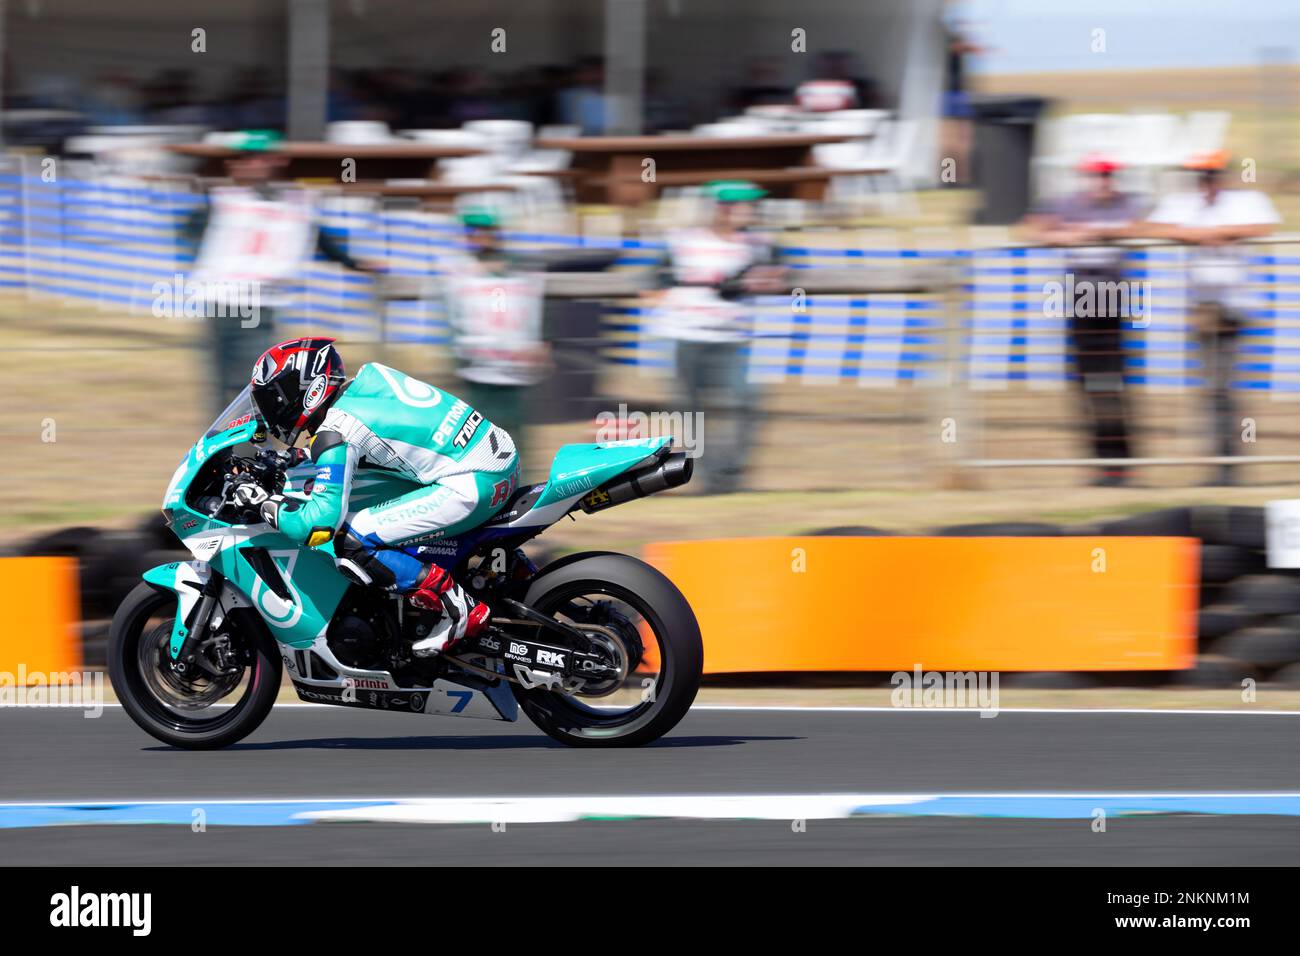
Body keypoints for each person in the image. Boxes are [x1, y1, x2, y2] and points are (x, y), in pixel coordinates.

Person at [230, 337, 519, 657]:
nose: (273, 410)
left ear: (309, 388)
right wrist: (295, 458)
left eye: (275, 398)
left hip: (473, 483)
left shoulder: (336, 430)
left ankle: (456, 606)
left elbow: (317, 524)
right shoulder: (370, 379)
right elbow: (383, 442)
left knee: (349, 539)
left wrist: (264, 503)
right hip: (496, 455)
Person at [185, 131, 383, 418]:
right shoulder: (221, 199)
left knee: (253, 384)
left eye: (256, 158)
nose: (249, 164)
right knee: (221, 383)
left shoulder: (295, 202)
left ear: (276, 160)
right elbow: (191, 228)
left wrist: (355, 263)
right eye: (242, 159)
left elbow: (320, 239)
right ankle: (218, 447)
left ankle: (246, 445)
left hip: (260, 302)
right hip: (220, 298)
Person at [1143, 151, 1280, 485]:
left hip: (1236, 307)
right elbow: (1148, 226)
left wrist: (1222, 231)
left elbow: (1266, 225)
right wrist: (1193, 235)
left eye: (1210, 175)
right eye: (1201, 176)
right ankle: (1223, 462)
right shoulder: (1183, 203)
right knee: (1214, 390)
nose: (1205, 182)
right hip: (1204, 308)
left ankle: (1229, 463)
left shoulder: (1246, 200)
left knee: (1225, 389)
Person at [653, 180, 786, 494]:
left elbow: (784, 270)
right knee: (693, 412)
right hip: (686, 336)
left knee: (749, 402)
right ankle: (711, 480)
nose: (751, 211)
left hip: (734, 339)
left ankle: (732, 474)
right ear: (721, 209)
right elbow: (652, 282)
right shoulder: (681, 242)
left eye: (752, 205)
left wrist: (766, 278)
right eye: (743, 205)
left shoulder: (761, 244)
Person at [1021, 156, 1147, 486]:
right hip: (1080, 298)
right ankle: (1100, 463)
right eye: (1097, 176)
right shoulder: (1067, 203)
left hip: (1113, 296)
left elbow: (1143, 226)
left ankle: (1122, 464)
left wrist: (1096, 232)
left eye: (1107, 177)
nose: (1103, 183)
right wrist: (1063, 236)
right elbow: (1031, 228)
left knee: (1116, 385)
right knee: (1088, 385)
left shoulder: (1126, 203)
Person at [442, 207, 549, 478]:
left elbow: (531, 311)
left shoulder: (519, 270)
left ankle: (521, 488)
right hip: (477, 369)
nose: (480, 238)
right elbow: (453, 318)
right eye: (474, 232)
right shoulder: (459, 272)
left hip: (514, 369)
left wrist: (537, 345)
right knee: (481, 438)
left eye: (486, 232)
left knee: (515, 434)